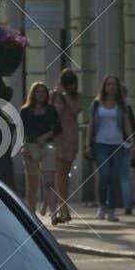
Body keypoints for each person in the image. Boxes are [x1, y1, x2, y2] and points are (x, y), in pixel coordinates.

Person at [85, 75, 135, 222]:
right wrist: (88, 144)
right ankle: (102, 206)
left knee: (115, 178)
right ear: (104, 87)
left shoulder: (121, 105)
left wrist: (132, 142)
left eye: (114, 85)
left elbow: (126, 124)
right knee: (104, 175)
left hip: (117, 145)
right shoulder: (96, 104)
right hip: (101, 144)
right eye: (108, 84)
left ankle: (112, 210)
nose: (111, 87)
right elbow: (91, 125)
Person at [18, 81, 60, 216]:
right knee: (32, 184)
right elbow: (21, 131)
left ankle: (53, 212)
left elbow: (58, 128)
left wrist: (45, 136)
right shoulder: (25, 111)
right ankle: (31, 213)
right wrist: (23, 147)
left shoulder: (51, 109)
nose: (40, 94)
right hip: (31, 146)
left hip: (48, 146)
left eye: (43, 92)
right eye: (38, 92)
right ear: (33, 94)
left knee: (49, 181)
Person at [50, 68, 83, 224]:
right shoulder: (53, 96)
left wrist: (65, 96)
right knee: (59, 175)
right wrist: (57, 94)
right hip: (57, 139)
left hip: (71, 139)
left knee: (64, 176)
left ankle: (61, 207)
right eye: (67, 83)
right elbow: (51, 113)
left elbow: (75, 110)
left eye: (73, 83)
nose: (71, 87)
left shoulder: (76, 97)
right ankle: (62, 209)